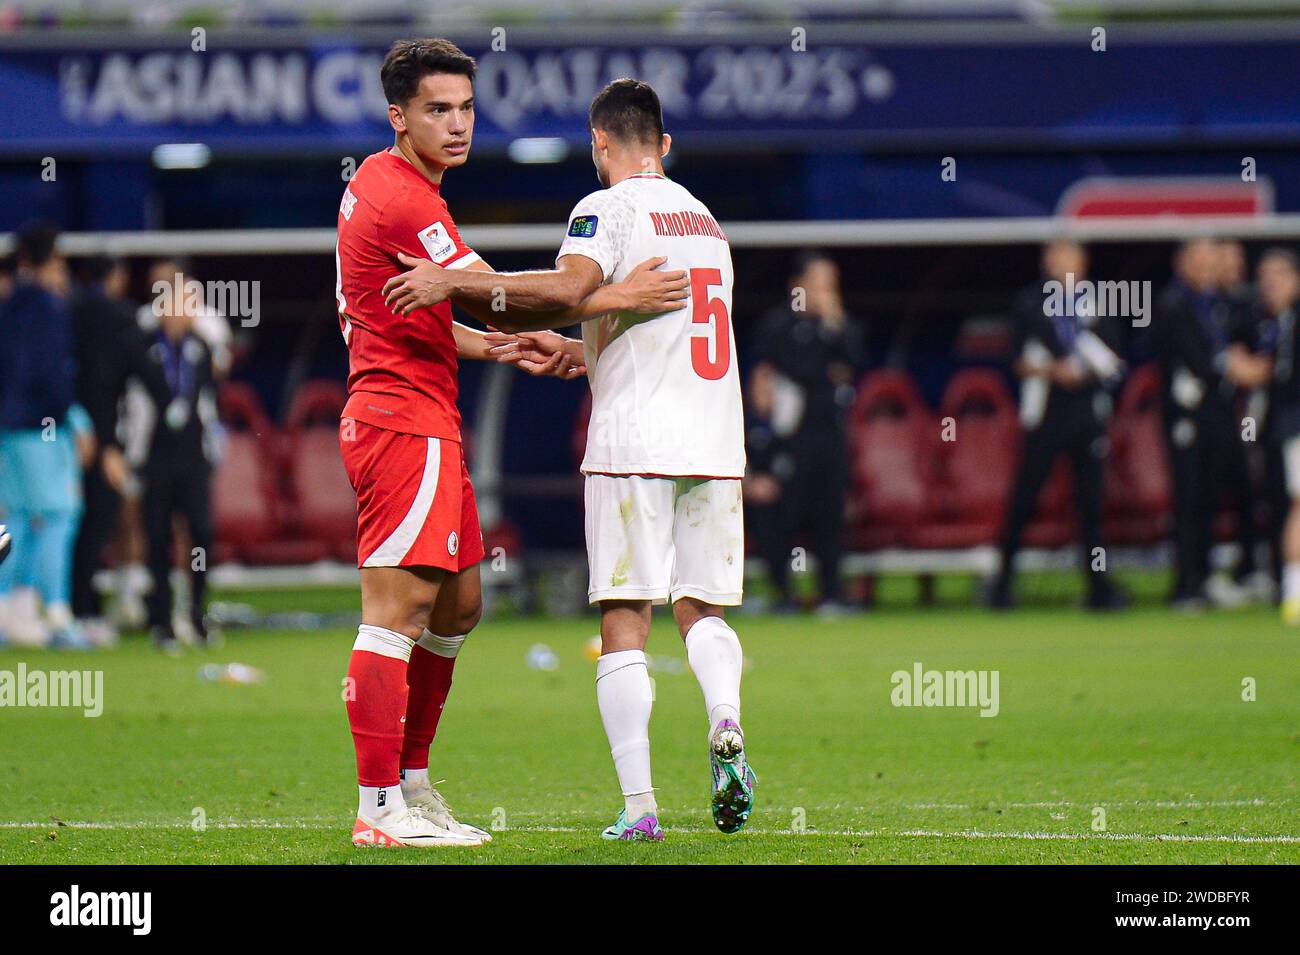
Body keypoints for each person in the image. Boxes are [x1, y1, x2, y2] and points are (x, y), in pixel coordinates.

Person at [335, 40, 687, 849]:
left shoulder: (388, 184)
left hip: (425, 415)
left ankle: (412, 785)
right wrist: (617, 295)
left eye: (465, 108)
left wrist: (490, 347)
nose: (457, 124)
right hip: (399, 420)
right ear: (398, 116)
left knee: (459, 605)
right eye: (437, 109)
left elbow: (388, 313)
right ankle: (378, 806)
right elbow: (504, 298)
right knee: (397, 612)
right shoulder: (405, 200)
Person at [386, 78, 756, 842]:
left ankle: (640, 807)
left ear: (599, 143)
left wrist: (451, 281)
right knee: (702, 607)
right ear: (665, 144)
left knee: (626, 615)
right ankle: (725, 722)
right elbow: (676, 338)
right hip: (716, 438)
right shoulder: (707, 221)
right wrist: (584, 352)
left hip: (634, 441)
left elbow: (562, 290)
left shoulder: (606, 209)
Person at [989, 240, 1127, 610]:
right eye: (1054, 257)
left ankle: (1098, 587)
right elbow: (1015, 360)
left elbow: (1115, 358)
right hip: (1046, 413)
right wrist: (1053, 370)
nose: (1060, 263)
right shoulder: (1030, 303)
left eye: (1068, 256)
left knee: (1091, 505)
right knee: (1024, 499)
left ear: (1083, 262)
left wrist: (1083, 372)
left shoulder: (1099, 301)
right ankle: (1001, 585)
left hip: (1087, 412)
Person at [1153, 239, 1270, 610]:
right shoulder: (1174, 302)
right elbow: (1197, 357)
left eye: (1211, 262)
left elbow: (1237, 341)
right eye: (1200, 262)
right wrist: (1231, 363)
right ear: (1182, 263)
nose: (1207, 269)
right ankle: (1185, 585)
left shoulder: (1215, 302)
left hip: (1217, 413)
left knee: (1210, 497)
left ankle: (1205, 577)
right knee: (1188, 499)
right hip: (1186, 416)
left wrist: (1235, 360)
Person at [747, 251, 864, 613]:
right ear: (797, 285)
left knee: (831, 514)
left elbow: (854, 367)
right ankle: (784, 593)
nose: (825, 291)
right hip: (790, 437)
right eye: (818, 282)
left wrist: (834, 324)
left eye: (831, 284)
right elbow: (768, 378)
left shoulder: (838, 327)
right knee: (784, 511)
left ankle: (832, 594)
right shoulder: (778, 325)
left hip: (829, 433)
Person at [0, 221, 95, 648]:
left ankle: (9, 611)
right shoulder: (50, 308)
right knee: (59, 515)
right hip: (44, 426)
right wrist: (74, 421)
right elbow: (53, 377)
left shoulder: (7, 306)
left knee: (15, 520)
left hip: (9, 430)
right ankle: (56, 612)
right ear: (54, 260)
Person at [69, 255, 137, 645]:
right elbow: (107, 384)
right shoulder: (117, 317)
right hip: (102, 437)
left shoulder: (70, 310)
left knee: (75, 525)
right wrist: (110, 444)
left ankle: (73, 606)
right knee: (97, 524)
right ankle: (84, 610)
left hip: (69, 433)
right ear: (117, 276)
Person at [1254, 249, 1300, 622]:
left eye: (1279, 275)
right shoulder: (1274, 324)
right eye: (1264, 276)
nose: (1270, 284)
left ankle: (1293, 592)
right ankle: (1292, 592)